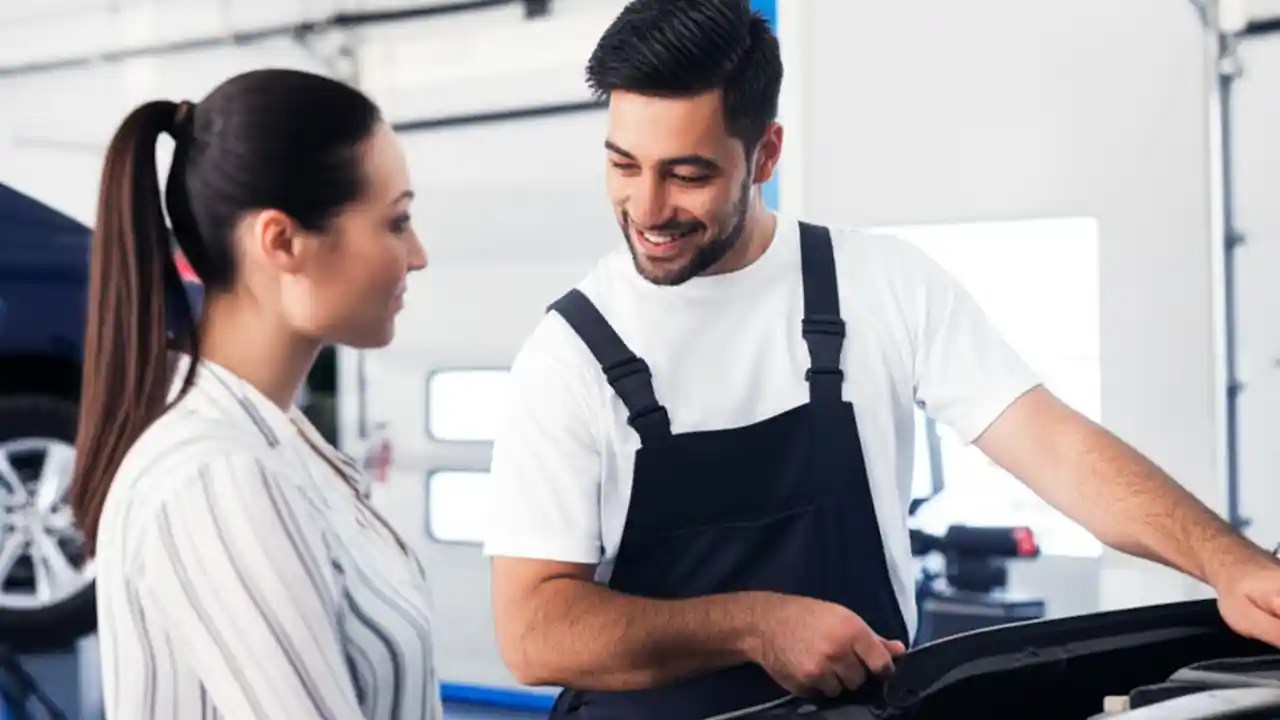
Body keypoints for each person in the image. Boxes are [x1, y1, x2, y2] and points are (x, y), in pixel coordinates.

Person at [483, 1, 1280, 718]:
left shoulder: (880, 284)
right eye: (623, 165)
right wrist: (756, 625)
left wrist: (1229, 564)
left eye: (688, 174)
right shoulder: (570, 355)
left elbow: (1058, 448)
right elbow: (533, 631)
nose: (648, 208)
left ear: (765, 154)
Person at [70, 69, 438, 720]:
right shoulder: (218, 477)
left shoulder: (278, 440)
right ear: (282, 242)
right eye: (397, 222)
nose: (417, 255)